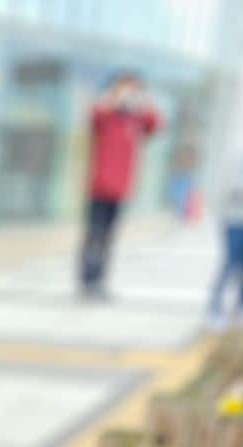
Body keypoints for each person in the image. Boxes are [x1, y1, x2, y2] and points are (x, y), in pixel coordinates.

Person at [79, 70, 160, 300]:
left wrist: (143, 100)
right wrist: (114, 97)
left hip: (120, 190)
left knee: (108, 238)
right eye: (125, 87)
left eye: (133, 88)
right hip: (99, 188)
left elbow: (155, 123)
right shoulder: (106, 115)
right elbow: (94, 114)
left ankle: (100, 281)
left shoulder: (135, 119)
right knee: (94, 235)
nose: (129, 92)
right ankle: (87, 280)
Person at [207, 150, 243, 329]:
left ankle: (240, 308)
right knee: (229, 265)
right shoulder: (238, 159)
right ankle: (214, 308)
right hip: (235, 220)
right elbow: (229, 188)